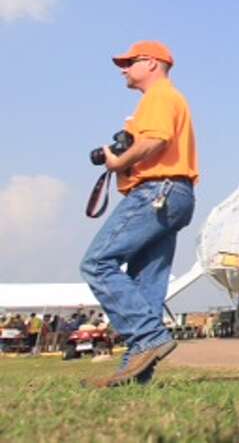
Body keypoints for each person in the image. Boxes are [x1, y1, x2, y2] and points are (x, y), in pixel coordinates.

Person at [79, 40, 198, 388]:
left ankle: (149, 337)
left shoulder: (159, 96)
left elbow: (156, 140)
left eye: (130, 62)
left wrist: (119, 160)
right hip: (176, 194)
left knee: (97, 263)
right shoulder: (167, 99)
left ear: (151, 63)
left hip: (157, 191)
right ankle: (136, 375)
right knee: (146, 283)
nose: (123, 69)